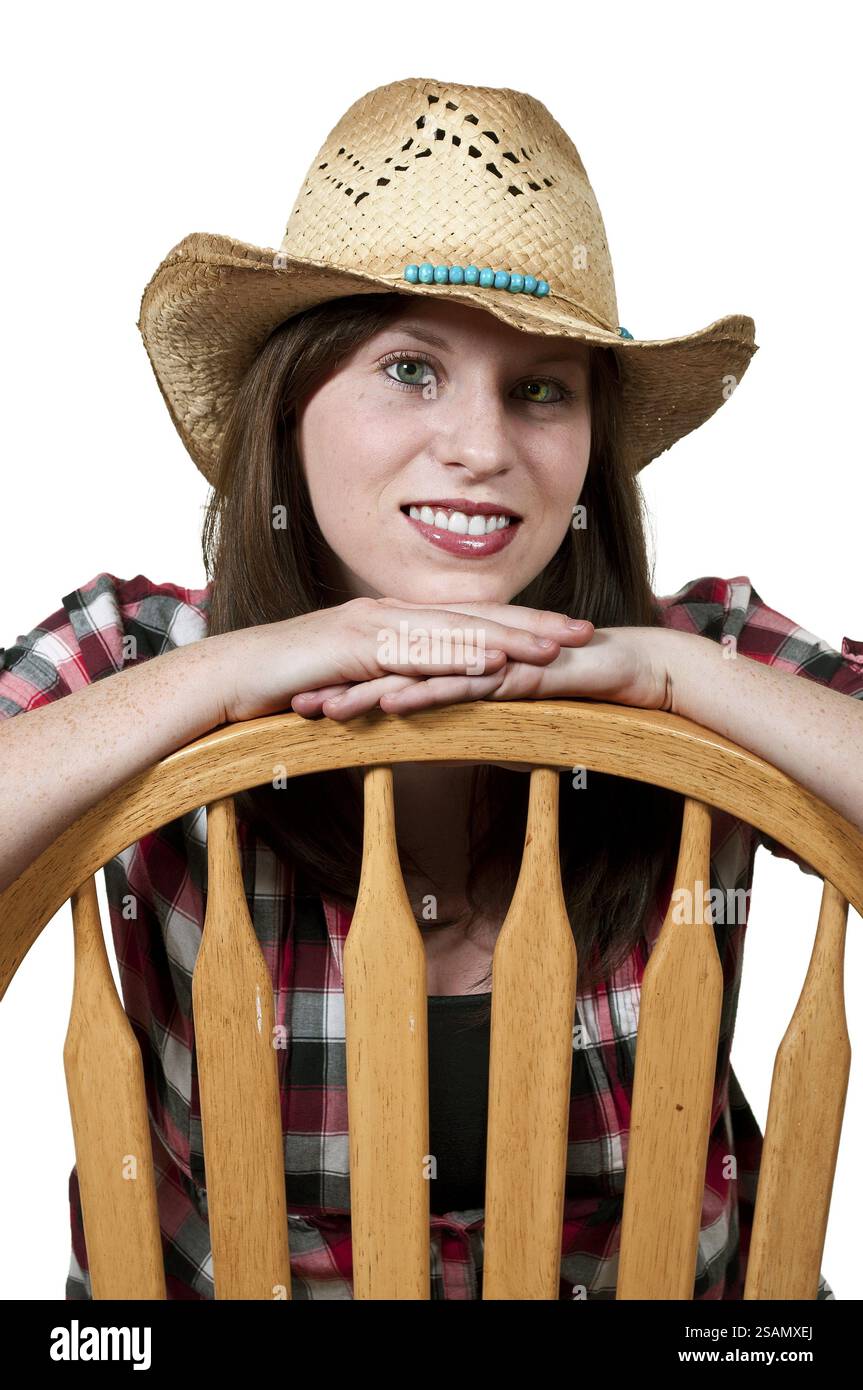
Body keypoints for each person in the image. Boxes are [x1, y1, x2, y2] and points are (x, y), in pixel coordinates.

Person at [1, 75, 861, 1301]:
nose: (480, 446)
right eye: (411, 369)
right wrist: (230, 676)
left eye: (541, 387)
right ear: (289, 407)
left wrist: (671, 679)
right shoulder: (135, 653)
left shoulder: (704, 651)